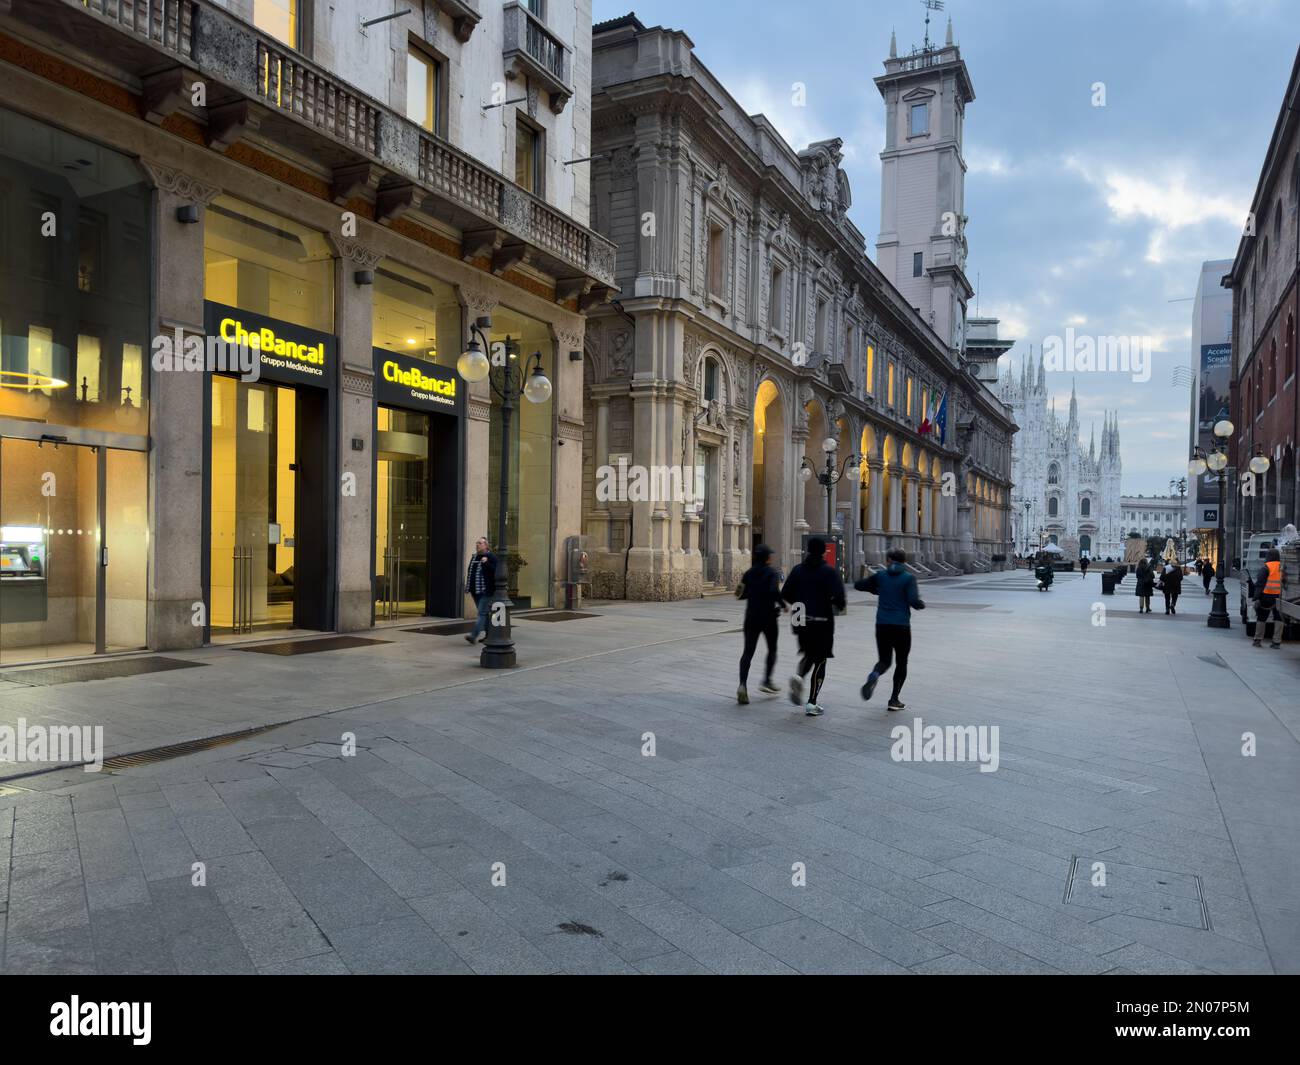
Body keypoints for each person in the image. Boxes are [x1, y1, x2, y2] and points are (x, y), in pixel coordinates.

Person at [780, 537, 846, 717]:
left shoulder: (798, 570)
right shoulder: (829, 572)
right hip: (821, 620)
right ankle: (812, 702)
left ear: (808, 550)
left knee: (809, 653)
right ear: (824, 551)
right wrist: (833, 603)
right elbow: (840, 599)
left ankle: (799, 676)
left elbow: (785, 593)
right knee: (821, 659)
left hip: (800, 618)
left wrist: (800, 601)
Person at [855, 548, 925, 712]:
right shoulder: (909, 578)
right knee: (901, 662)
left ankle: (875, 674)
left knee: (884, 661)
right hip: (901, 627)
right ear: (904, 562)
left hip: (882, 625)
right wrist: (920, 604)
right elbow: (914, 601)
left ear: (888, 561)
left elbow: (859, 585)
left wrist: (876, 589)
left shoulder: (880, 576)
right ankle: (894, 699)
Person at [736, 544, 783, 704]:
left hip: (751, 616)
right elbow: (773, 591)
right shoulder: (772, 572)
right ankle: (767, 680)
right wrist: (782, 605)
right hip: (768, 617)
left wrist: (752, 592)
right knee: (772, 649)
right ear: (768, 558)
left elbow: (739, 594)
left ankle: (742, 685)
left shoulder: (748, 573)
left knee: (748, 652)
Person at [464, 536, 497, 644]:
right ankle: (489, 636)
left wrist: (486, 563)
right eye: (476, 543)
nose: (477, 545)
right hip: (475, 591)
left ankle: (473, 636)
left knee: (482, 613)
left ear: (486, 545)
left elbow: (495, 572)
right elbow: (470, 573)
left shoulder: (491, 556)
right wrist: (468, 587)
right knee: (484, 613)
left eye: (480, 543)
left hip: (485, 591)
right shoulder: (474, 557)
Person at [1252, 548, 1283, 649]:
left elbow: (1260, 584)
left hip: (1266, 596)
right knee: (1279, 618)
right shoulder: (1283, 567)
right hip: (1280, 598)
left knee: (1262, 618)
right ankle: (1277, 642)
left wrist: (1256, 597)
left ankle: (1258, 640)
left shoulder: (1266, 568)